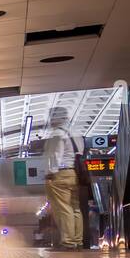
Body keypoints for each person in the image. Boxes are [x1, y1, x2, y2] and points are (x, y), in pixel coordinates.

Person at [43, 106, 83, 249]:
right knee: (75, 209)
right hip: (73, 173)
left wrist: (50, 173)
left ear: (57, 118)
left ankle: (68, 242)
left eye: (52, 117)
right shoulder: (75, 134)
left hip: (60, 174)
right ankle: (78, 241)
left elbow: (55, 155)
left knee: (63, 209)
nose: (51, 120)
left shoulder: (57, 134)